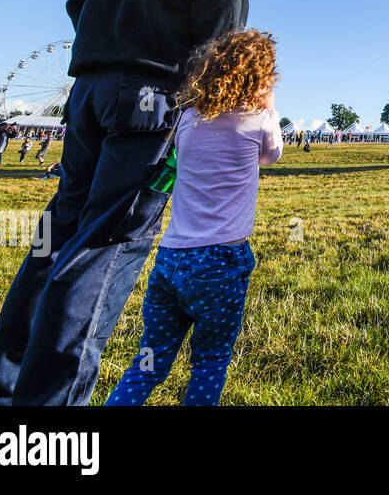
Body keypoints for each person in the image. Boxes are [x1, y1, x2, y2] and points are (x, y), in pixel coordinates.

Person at [0, 0, 252, 407]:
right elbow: (223, 43)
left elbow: (77, 3)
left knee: (56, 237)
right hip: (151, 102)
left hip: (87, 95)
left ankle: (2, 396)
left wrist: (115, 43)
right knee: (107, 244)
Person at [106, 29, 281, 406]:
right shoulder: (258, 120)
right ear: (262, 77)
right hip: (222, 259)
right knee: (211, 361)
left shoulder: (187, 118)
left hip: (171, 255)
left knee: (147, 364)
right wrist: (268, 104)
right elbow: (270, 156)